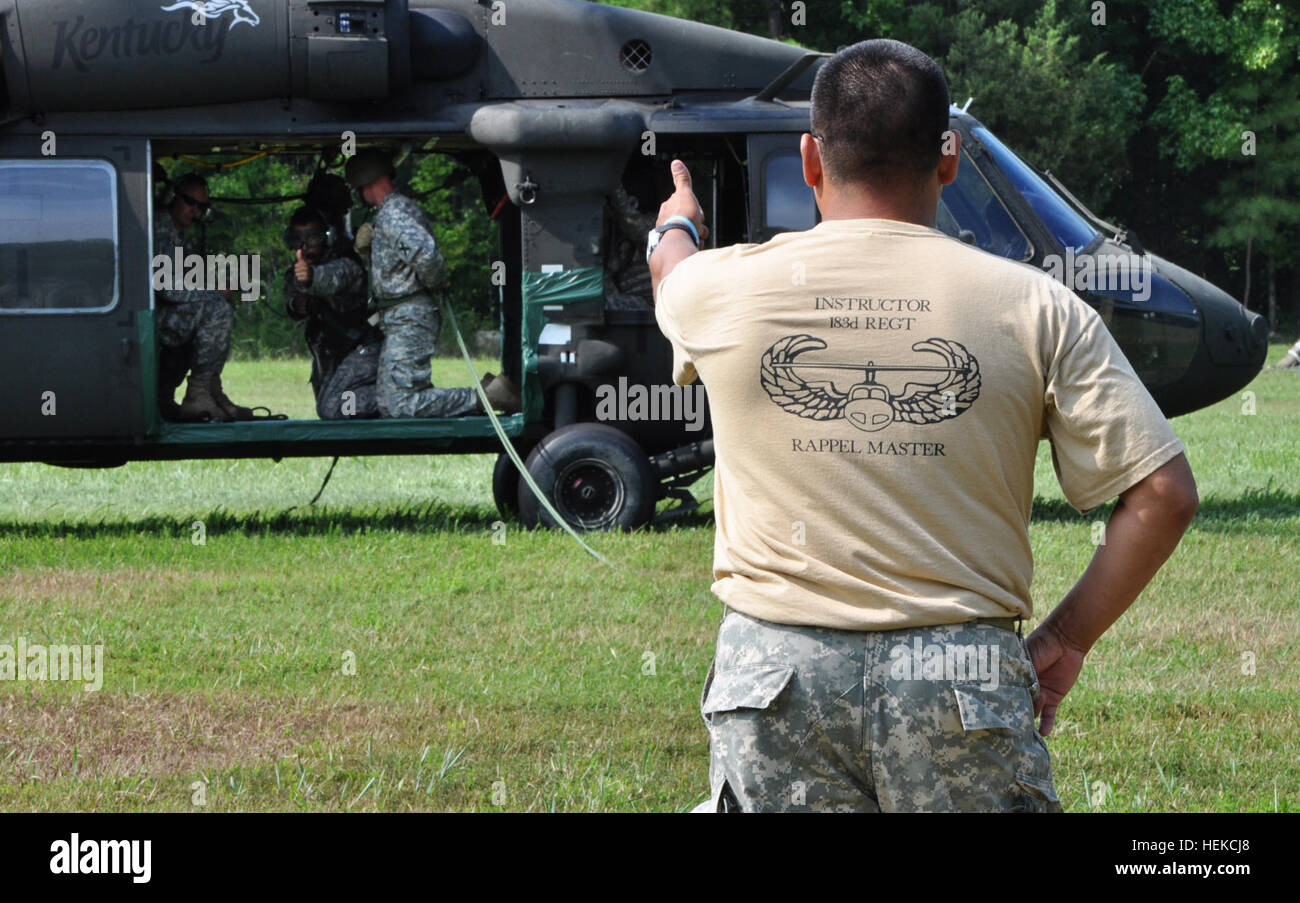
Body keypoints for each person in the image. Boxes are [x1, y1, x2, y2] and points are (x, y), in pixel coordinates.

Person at [650, 39, 1199, 812]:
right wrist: (1066, 638)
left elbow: (672, 273)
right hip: (961, 675)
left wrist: (674, 224)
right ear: (949, 161)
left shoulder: (719, 288)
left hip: (774, 675)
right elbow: (1163, 495)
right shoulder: (1037, 306)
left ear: (809, 160)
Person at [343, 149, 520, 417]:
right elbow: (399, 264)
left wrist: (434, 284)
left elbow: (426, 257)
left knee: (401, 404)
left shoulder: (393, 215)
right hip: (400, 314)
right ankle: (486, 395)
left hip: (409, 315)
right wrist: (370, 250)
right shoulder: (390, 214)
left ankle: (488, 397)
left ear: (367, 183)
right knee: (389, 403)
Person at [153, 173, 258, 422]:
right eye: (191, 202)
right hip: (147, 318)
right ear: (174, 198)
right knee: (216, 309)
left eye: (202, 207)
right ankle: (198, 394)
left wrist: (216, 286)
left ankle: (209, 392)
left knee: (217, 303)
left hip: (158, 316)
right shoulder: (160, 230)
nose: (196, 212)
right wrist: (213, 292)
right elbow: (165, 286)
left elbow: (189, 278)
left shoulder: (176, 236)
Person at [283, 207, 382, 419]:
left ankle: (397, 399)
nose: (305, 246)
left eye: (312, 238)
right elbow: (293, 306)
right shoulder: (294, 274)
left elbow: (331, 277)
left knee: (333, 408)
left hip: (364, 349)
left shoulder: (344, 264)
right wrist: (302, 302)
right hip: (332, 355)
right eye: (297, 239)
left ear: (325, 238)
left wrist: (311, 277)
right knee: (334, 409)